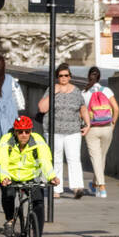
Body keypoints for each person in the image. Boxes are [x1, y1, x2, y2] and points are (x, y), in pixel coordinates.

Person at [0, 115, 60, 237]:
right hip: (11, 177)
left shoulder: (37, 141)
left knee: (39, 204)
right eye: (20, 132)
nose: (24, 135)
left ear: (31, 131)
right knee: (9, 195)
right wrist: (5, 177)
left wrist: (51, 176)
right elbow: (2, 161)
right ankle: (10, 220)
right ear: (15, 131)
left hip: (31, 177)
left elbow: (45, 160)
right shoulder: (6, 140)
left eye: (27, 131)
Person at [37, 63, 87, 198]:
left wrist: (87, 124)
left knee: (74, 159)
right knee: (56, 159)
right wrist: (54, 92)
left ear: (70, 76)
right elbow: (42, 108)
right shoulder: (51, 89)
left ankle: (77, 187)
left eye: (66, 75)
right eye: (61, 76)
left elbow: (83, 108)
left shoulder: (76, 91)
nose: (64, 78)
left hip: (73, 130)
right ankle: (56, 188)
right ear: (57, 77)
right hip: (54, 131)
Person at [82, 66, 119, 198]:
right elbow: (116, 108)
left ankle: (102, 187)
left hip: (91, 128)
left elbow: (81, 113)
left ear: (89, 77)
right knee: (101, 157)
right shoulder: (107, 91)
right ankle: (95, 184)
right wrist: (113, 124)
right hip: (107, 127)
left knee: (96, 158)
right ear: (99, 77)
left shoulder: (84, 93)